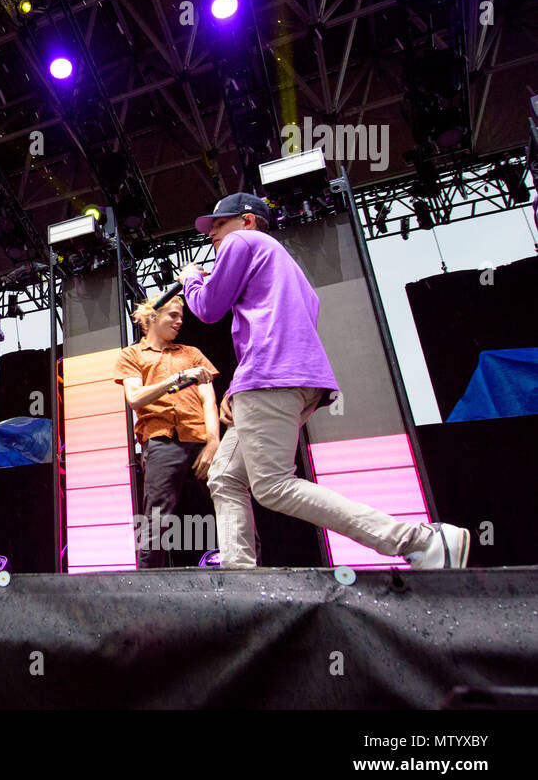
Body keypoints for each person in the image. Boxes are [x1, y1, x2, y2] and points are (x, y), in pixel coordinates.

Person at [179, 192, 469, 569]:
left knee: (273, 485)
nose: (213, 235)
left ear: (247, 221)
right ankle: (239, 572)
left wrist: (191, 281)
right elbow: (282, 329)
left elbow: (208, 308)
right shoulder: (285, 267)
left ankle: (417, 539)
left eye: (219, 224)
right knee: (225, 476)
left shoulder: (242, 241)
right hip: (290, 380)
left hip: (268, 378)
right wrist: (238, 387)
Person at [115, 294, 220, 567]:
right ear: (152, 317)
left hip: (200, 439)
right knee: (156, 519)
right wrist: (179, 379)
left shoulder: (192, 353)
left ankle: (247, 571)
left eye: (181, 317)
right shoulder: (132, 355)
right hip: (161, 441)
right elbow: (135, 397)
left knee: (231, 503)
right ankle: (148, 589)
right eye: (173, 315)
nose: (179, 322)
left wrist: (213, 443)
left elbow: (209, 399)